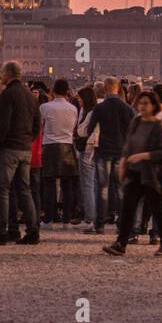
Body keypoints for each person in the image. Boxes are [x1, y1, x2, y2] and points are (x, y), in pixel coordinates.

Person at [102, 90, 162, 256]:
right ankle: (121, 243)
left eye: (146, 103)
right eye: (140, 103)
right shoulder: (136, 122)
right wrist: (124, 163)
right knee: (128, 208)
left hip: (152, 174)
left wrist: (143, 156)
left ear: (154, 106)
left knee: (157, 209)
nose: (142, 106)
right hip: (134, 172)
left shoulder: (159, 126)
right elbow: (128, 145)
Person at [0, 61, 39, 245]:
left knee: (2, 189)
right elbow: (36, 124)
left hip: (9, 148)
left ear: (8, 74)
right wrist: (27, 140)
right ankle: (32, 231)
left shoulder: (8, 94)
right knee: (24, 190)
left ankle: (1, 231)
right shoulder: (30, 95)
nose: (0, 74)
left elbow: (3, 124)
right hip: (25, 148)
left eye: (2, 72)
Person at [84, 77, 134, 236]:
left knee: (103, 188)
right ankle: (122, 224)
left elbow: (89, 129)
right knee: (120, 189)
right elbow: (132, 131)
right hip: (121, 151)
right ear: (118, 88)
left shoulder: (100, 108)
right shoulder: (127, 108)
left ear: (105, 88)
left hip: (103, 151)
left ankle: (99, 225)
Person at [40, 79, 80, 226]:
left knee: (49, 184)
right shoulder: (73, 108)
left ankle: (49, 218)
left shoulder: (45, 107)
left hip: (50, 145)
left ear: (53, 91)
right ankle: (66, 219)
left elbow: (40, 126)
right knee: (67, 184)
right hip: (68, 145)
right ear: (67, 91)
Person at [74, 85, 99, 228]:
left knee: (88, 184)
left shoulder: (90, 113)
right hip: (91, 149)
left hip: (87, 149)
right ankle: (92, 213)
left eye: (79, 97)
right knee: (92, 183)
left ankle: (90, 215)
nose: (78, 100)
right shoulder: (89, 111)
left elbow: (82, 131)